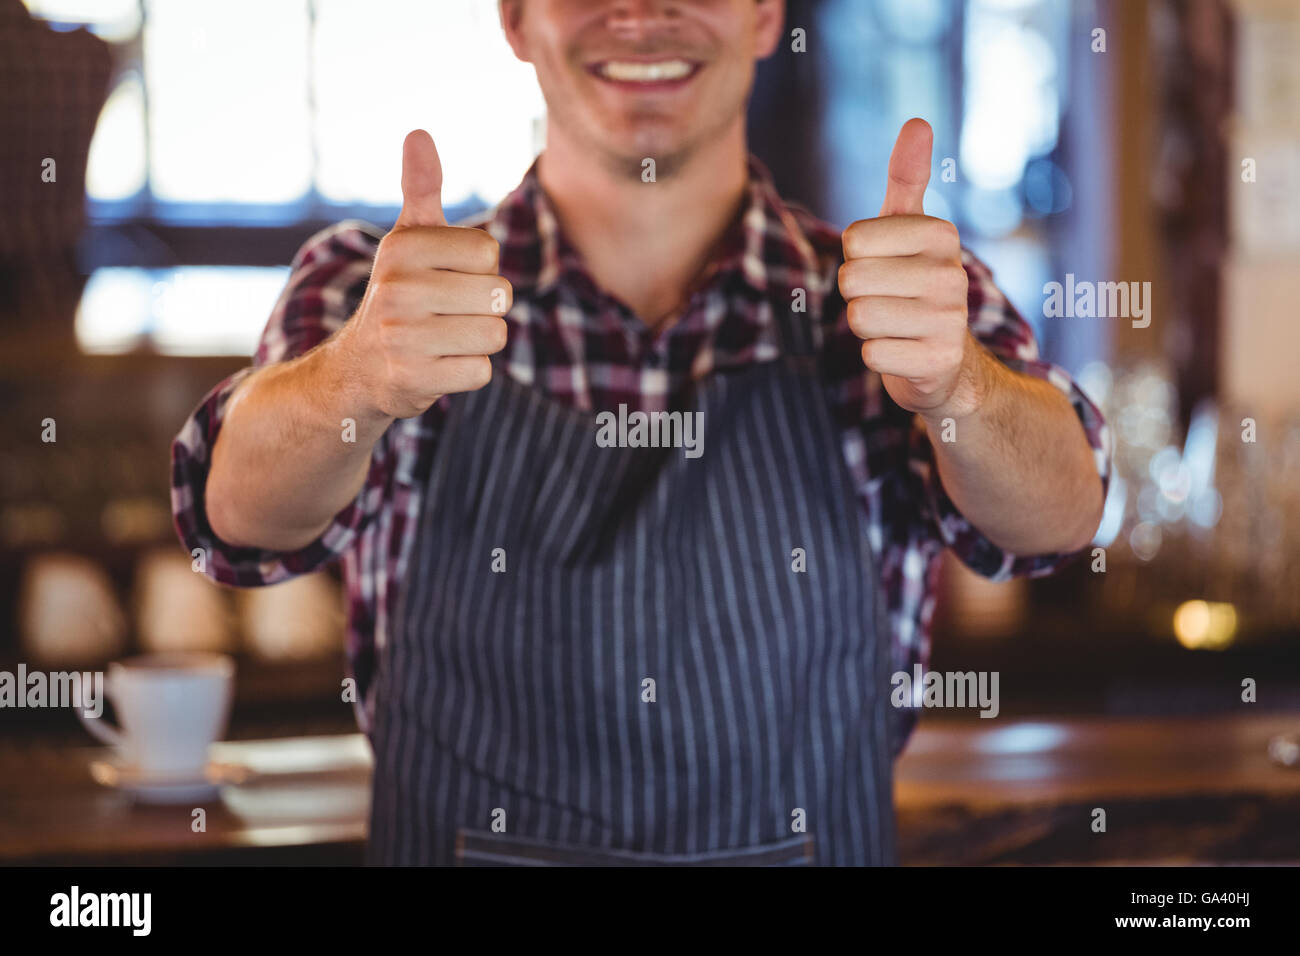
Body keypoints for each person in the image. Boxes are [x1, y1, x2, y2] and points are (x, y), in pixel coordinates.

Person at [171, 0, 1109, 866]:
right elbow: (240, 521)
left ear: (764, 15)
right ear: (515, 18)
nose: (641, 14)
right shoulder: (379, 296)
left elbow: (1061, 519)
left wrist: (955, 388)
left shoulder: (896, 302)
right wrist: (359, 379)